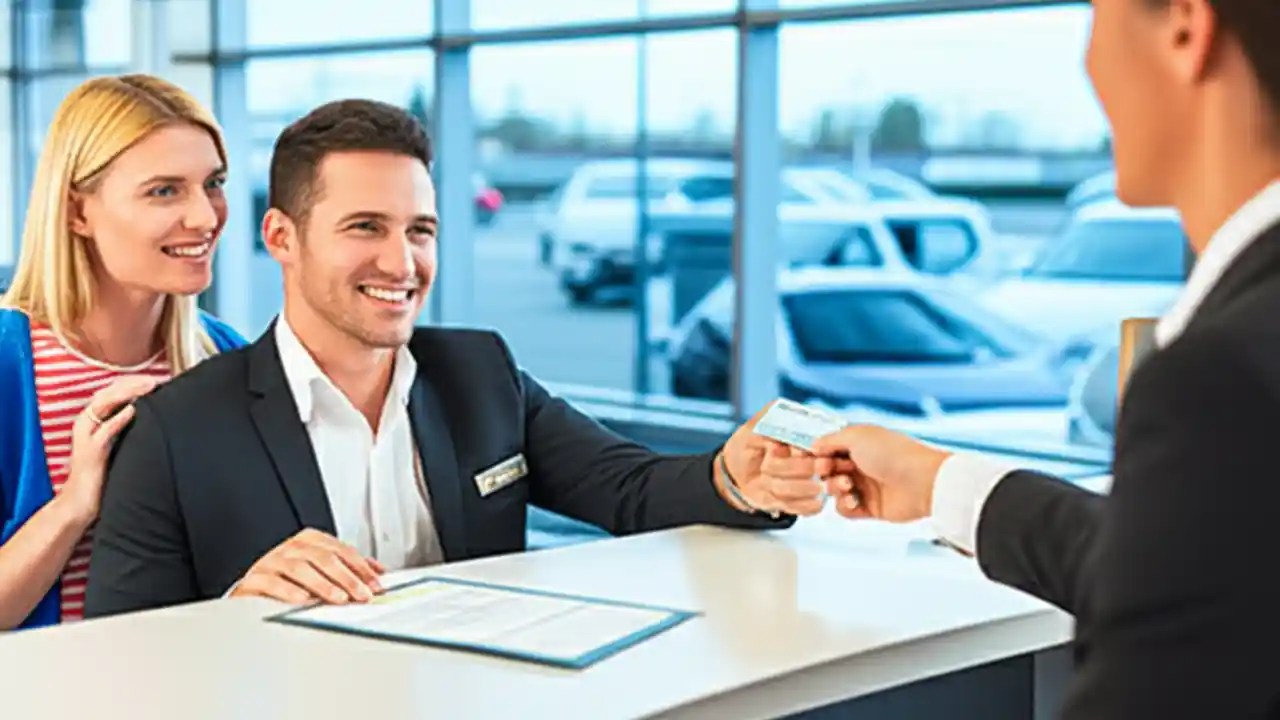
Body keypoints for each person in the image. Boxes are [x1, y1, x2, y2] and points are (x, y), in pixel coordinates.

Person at [83, 99, 829, 615]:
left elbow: (629, 487)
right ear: (281, 237)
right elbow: (120, 658)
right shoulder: (175, 431)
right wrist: (235, 613)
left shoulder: (480, 375)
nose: (401, 262)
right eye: (365, 227)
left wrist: (736, 477)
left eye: (421, 230)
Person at [808, 0, 1280, 717]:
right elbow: (1203, 579)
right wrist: (939, 483)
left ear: (1187, 26)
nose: (1088, 63)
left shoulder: (1218, 381)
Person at [0, 75, 244, 630]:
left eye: (213, 183)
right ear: (77, 212)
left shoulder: (227, 361)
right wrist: (74, 506)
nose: (205, 217)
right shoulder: (9, 367)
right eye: (164, 190)